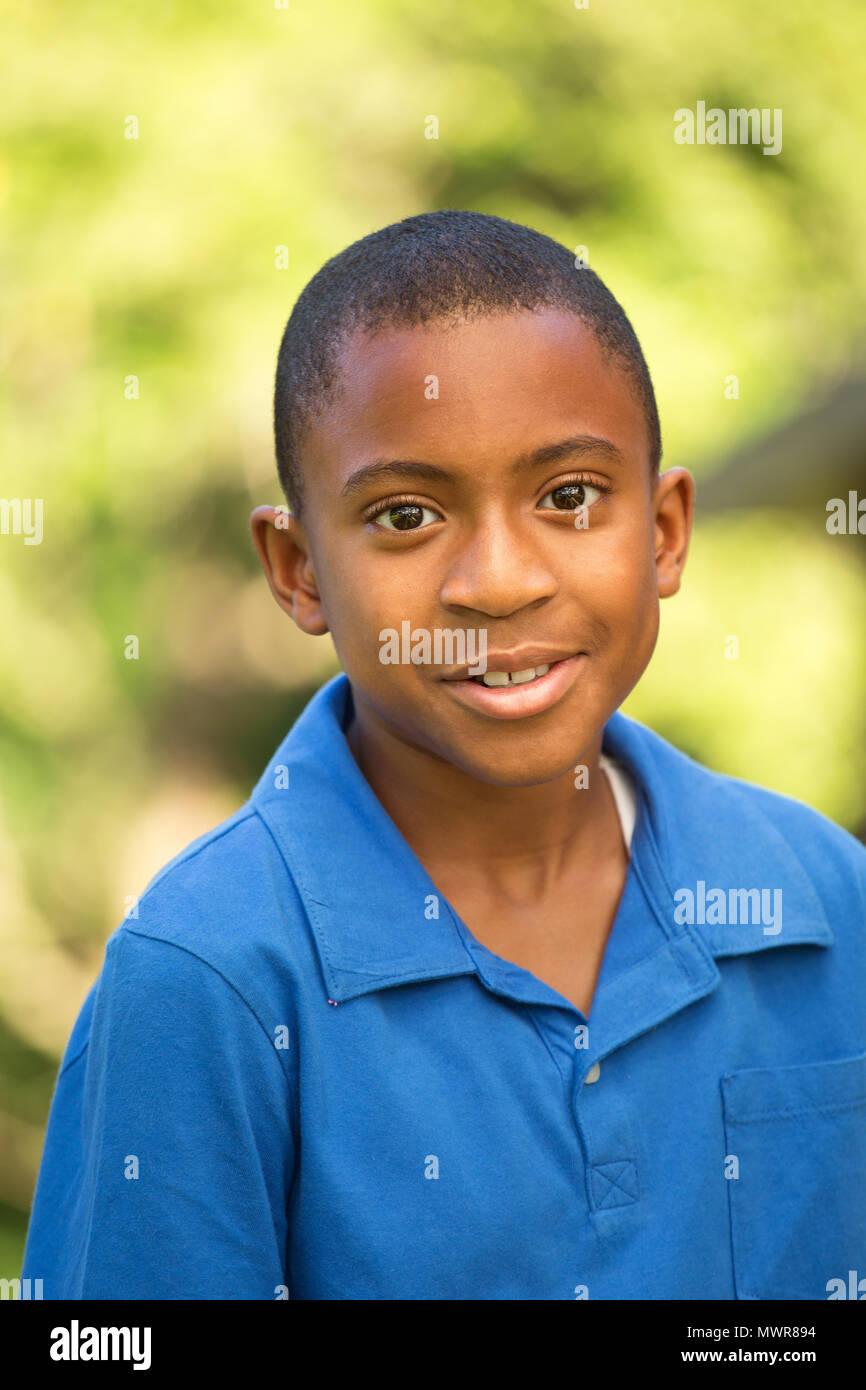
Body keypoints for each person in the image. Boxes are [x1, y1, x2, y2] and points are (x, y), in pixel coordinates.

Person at [22, 211, 866, 1300]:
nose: (500, 580)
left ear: (661, 532)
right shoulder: (209, 980)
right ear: (298, 571)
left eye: (568, 497)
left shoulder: (818, 902)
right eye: (407, 514)